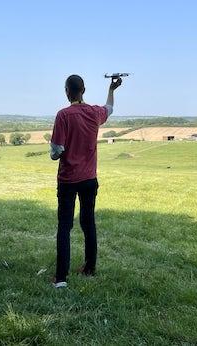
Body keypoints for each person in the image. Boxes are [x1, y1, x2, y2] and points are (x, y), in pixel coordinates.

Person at [50, 74, 122, 288]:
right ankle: (89, 268)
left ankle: (61, 278)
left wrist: (58, 154)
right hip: (90, 179)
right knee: (88, 223)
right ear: (84, 90)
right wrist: (112, 89)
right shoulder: (94, 113)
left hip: (68, 180)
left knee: (65, 227)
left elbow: (56, 151)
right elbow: (109, 108)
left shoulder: (63, 115)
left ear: (66, 91)